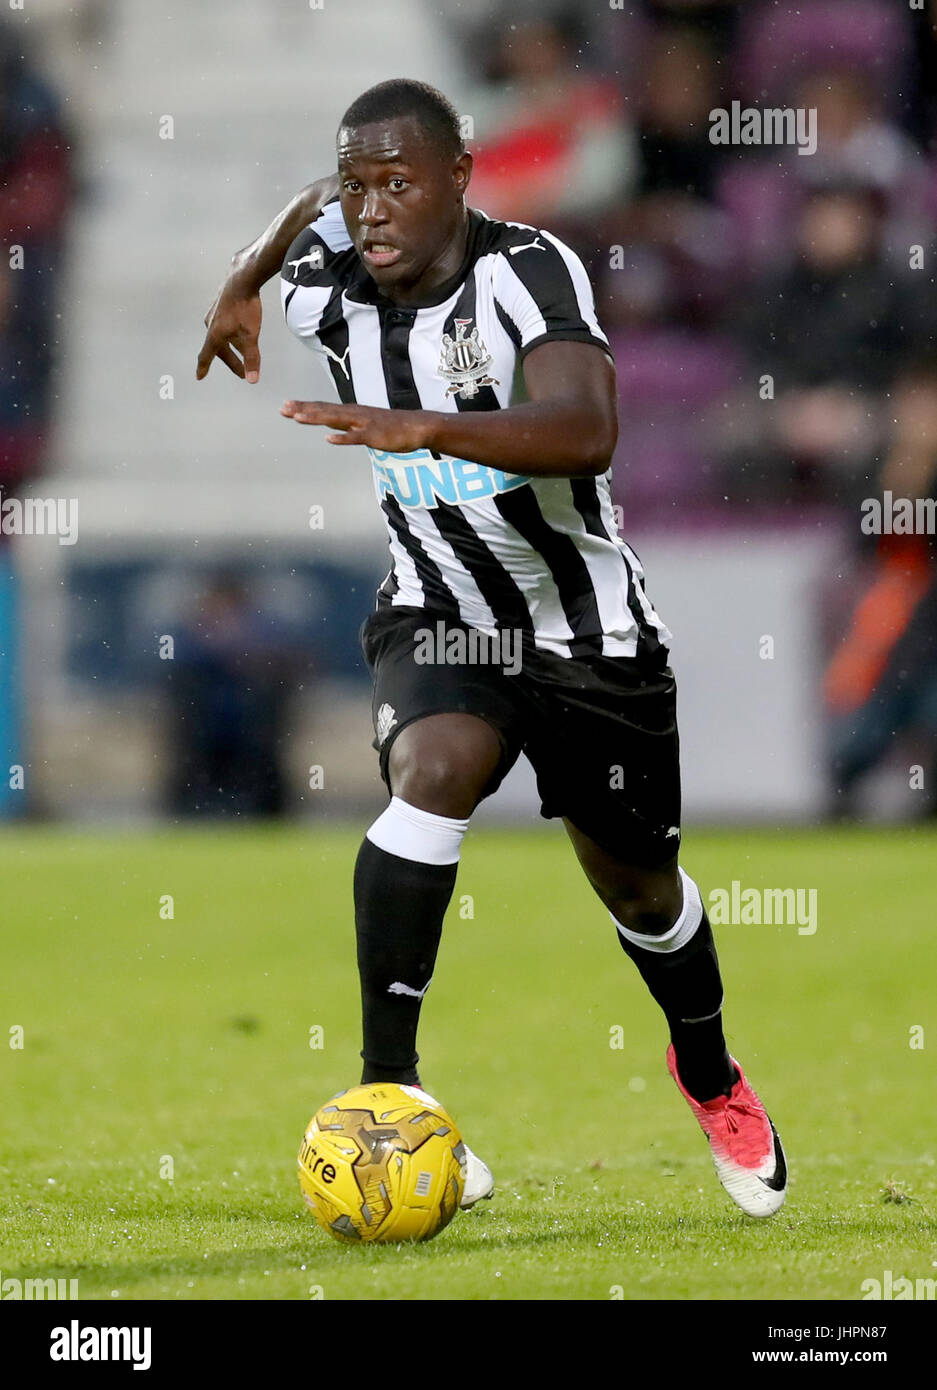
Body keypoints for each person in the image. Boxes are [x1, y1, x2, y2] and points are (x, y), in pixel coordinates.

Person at [196, 79, 787, 1220]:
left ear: (460, 178)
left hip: (586, 630)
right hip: (439, 609)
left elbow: (586, 431)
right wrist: (238, 279)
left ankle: (708, 1073)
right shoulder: (329, 273)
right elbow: (306, 204)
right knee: (430, 778)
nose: (371, 209)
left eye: (398, 183)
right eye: (361, 186)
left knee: (641, 888)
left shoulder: (528, 271)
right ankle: (391, 1099)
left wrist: (427, 426)